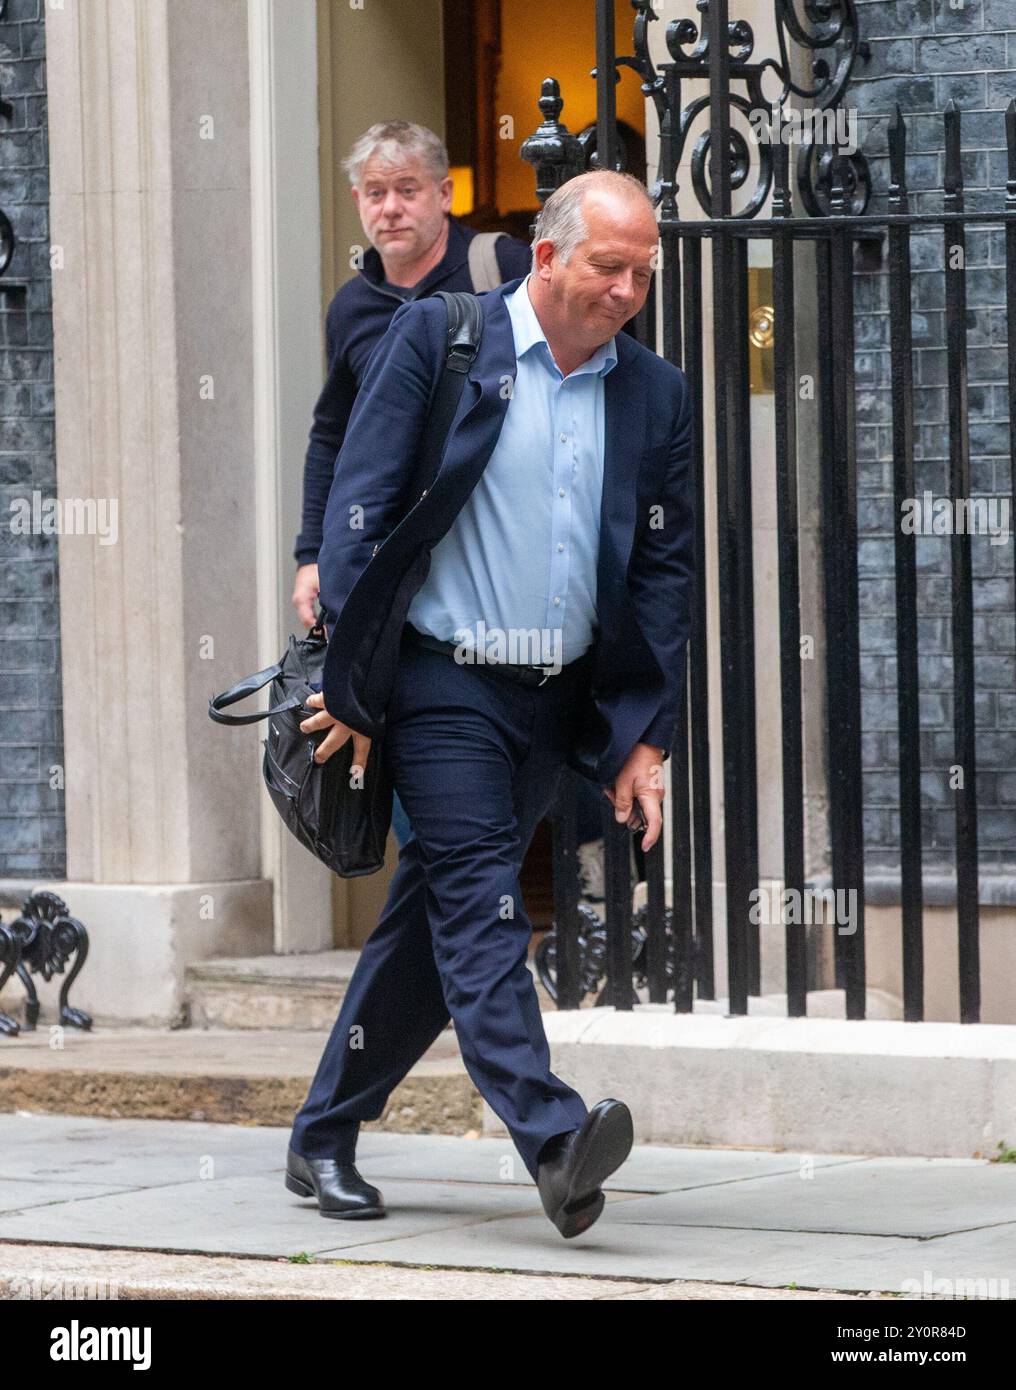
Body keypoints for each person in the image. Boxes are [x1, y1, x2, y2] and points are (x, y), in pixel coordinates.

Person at [286, 169, 695, 1240]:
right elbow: (362, 502)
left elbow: (662, 572)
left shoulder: (654, 392)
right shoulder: (442, 340)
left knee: (429, 922)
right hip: (443, 681)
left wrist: (644, 736)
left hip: (555, 695)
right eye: (609, 267)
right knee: (481, 903)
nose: (627, 290)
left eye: (643, 272)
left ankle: (322, 1131)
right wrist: (353, 683)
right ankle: (554, 1139)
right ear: (548, 257)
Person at [291, 120, 531, 848]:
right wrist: (312, 554)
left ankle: (581, 872)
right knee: (417, 769)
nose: (390, 208)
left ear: (445, 193)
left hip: (503, 546)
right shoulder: (352, 307)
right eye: (374, 193)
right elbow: (331, 435)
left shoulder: (500, 267)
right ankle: (452, 869)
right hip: (393, 564)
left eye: (407, 189)